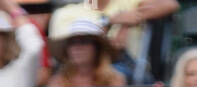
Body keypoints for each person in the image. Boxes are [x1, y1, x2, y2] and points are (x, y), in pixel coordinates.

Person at [50, 0, 178, 74]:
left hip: (128, 75)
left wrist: (131, 20)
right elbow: (66, 55)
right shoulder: (64, 14)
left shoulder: (129, 2)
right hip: (81, 76)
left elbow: (171, 4)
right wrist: (111, 21)